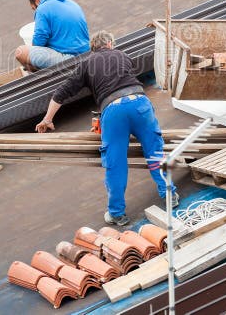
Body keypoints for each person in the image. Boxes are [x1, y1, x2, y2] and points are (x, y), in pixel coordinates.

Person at [36, 31, 178, 226]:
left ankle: (117, 213)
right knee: (155, 152)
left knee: (116, 163)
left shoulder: (86, 64)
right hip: (140, 104)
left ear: (92, 49)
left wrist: (47, 119)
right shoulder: (121, 55)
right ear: (110, 44)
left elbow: (62, 92)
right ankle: (170, 194)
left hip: (113, 111)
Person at [15, 0, 90, 71]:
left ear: (36, 1)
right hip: (87, 52)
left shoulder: (42, 8)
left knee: (20, 52)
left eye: (34, 8)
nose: (35, 10)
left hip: (70, 59)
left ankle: (42, 80)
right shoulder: (71, 3)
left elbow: (39, 42)